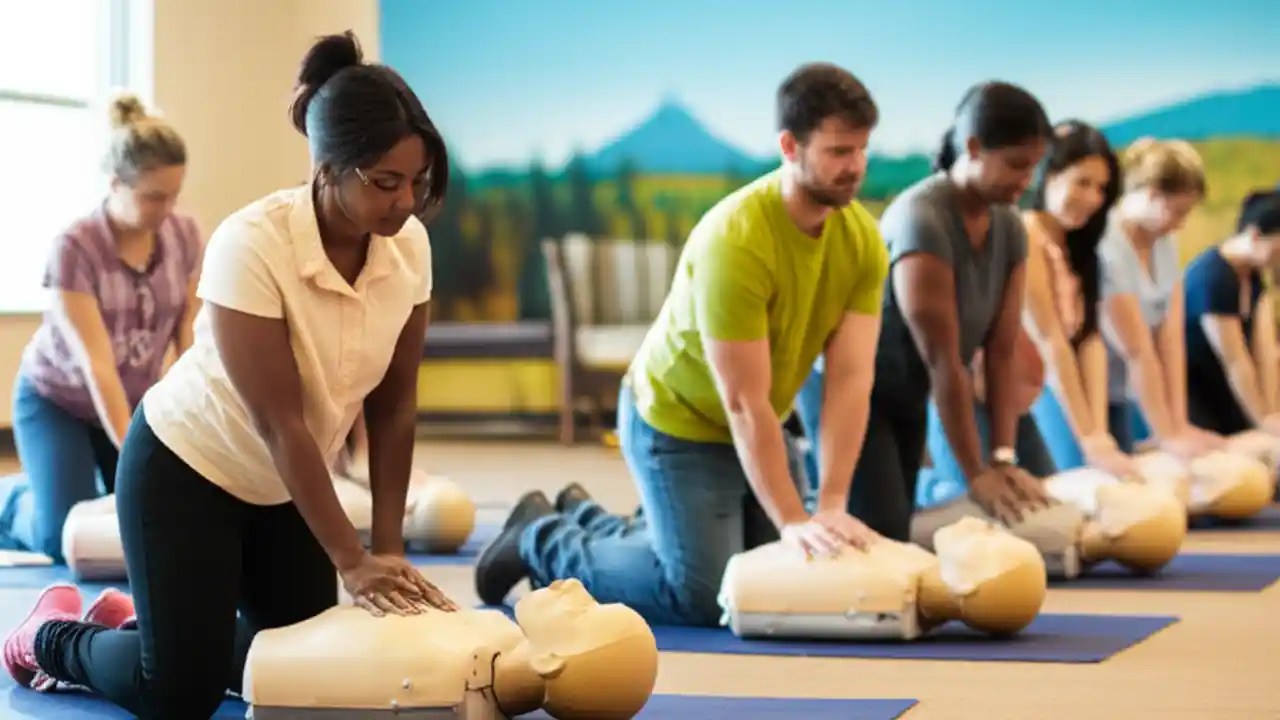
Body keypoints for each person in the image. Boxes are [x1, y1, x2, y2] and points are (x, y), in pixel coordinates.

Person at [3, 31, 456, 719]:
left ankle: (157, 618)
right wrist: (350, 561)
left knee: (295, 668)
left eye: (417, 183)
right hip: (187, 470)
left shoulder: (408, 249)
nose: (405, 202)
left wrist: (386, 548)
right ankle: (53, 638)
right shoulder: (252, 243)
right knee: (180, 691)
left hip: (282, 489)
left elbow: (394, 407)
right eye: (385, 183)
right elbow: (281, 421)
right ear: (329, 167)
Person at [474, 62, 890, 627]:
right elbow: (742, 401)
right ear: (790, 146)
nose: (856, 167)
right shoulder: (737, 238)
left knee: (774, 571)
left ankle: (587, 518)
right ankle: (539, 538)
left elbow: (849, 378)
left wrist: (832, 505)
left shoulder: (862, 240)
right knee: (703, 594)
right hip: (678, 422)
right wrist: (795, 519)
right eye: (840, 151)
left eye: (862, 150)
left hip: (762, 423)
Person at [796, 81, 1054, 538]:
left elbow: (1000, 350)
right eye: (1016, 165)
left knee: (894, 527)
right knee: (878, 528)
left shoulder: (1010, 227)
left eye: (1033, 166)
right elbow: (944, 360)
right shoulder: (923, 219)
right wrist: (977, 476)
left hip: (907, 390)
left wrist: (1002, 457)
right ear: (973, 148)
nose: (1027, 181)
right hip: (849, 385)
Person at [0, 94, 200, 563]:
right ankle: (12, 501)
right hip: (59, 401)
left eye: (174, 194)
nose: (166, 209)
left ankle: (64, 479)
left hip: (134, 399)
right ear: (115, 184)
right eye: (153, 196)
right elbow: (98, 366)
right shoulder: (75, 247)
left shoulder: (185, 233)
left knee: (147, 520)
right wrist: (138, 454)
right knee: (61, 538)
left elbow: (187, 335)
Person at [1019, 121, 1133, 476]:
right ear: (1049, 174)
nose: (1092, 199)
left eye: (1101, 188)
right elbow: (1049, 339)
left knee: (1106, 470)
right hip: (1031, 384)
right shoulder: (1026, 234)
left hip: (1063, 382)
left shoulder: (1081, 248)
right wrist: (1088, 440)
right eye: (1081, 182)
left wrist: (1099, 433)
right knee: (1081, 475)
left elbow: (1089, 340)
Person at [1096, 138, 1220, 457]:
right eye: (1178, 211)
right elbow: (1137, 350)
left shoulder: (1163, 241)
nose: (1181, 223)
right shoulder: (1107, 244)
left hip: (1128, 389)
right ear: (1151, 194)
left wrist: (1179, 425)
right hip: (1089, 392)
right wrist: (1166, 435)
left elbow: (1170, 338)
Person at [1180, 191, 1280, 436]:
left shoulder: (1253, 275)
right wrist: (1262, 422)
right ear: (1255, 235)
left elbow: (1265, 353)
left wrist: (1272, 415)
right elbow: (1235, 361)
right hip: (1197, 396)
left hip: (1229, 393)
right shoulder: (1213, 277)